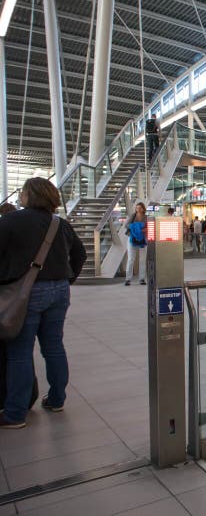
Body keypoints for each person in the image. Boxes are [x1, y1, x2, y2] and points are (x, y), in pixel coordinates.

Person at [0, 177, 86, 428]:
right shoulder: (59, 224)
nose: (20, 197)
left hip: (25, 293)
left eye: (23, 192)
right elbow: (80, 253)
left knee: (20, 353)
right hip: (59, 290)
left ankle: (15, 413)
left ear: (30, 195)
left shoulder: (10, 221)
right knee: (54, 346)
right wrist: (66, 279)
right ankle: (57, 399)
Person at [124, 202, 148, 286]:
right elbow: (126, 225)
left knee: (142, 260)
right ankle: (128, 279)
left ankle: (142, 278)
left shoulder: (146, 217)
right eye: (137, 208)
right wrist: (137, 228)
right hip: (132, 238)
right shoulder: (132, 216)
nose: (138, 209)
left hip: (142, 239)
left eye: (140, 208)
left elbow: (148, 227)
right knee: (131, 259)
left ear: (143, 209)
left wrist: (143, 229)